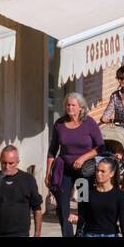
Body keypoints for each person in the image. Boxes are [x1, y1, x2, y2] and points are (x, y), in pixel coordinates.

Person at [45, 91, 102, 237]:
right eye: (67, 105)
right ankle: (67, 234)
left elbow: (100, 147)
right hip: (64, 170)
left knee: (83, 203)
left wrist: (83, 158)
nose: (70, 108)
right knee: (62, 206)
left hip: (84, 171)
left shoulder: (89, 123)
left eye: (73, 105)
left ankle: (81, 232)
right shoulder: (59, 124)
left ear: (80, 107)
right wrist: (48, 173)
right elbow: (52, 150)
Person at [0, 145, 43, 237]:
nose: (7, 167)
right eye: (4, 163)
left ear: (17, 162)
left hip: (21, 234)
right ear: (0, 160)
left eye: (11, 163)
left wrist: (37, 233)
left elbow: (37, 208)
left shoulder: (28, 180)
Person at [70, 157, 124, 237]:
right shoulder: (85, 191)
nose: (98, 174)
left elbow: (123, 222)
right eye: (97, 170)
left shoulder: (120, 195)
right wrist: (75, 219)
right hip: (89, 234)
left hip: (110, 235)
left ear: (112, 173)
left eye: (102, 171)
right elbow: (82, 216)